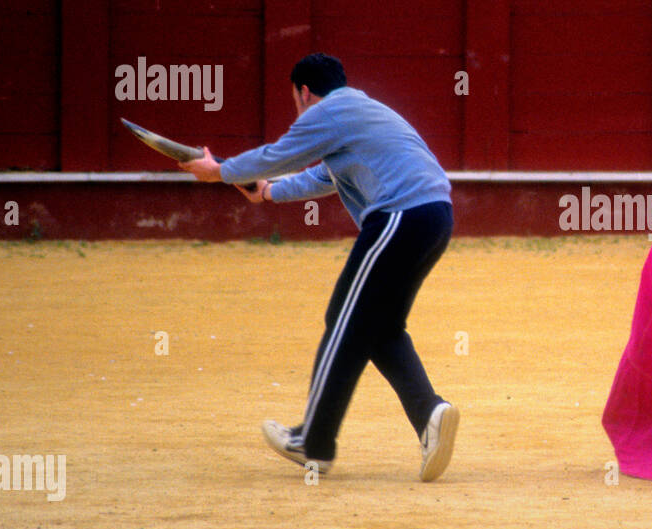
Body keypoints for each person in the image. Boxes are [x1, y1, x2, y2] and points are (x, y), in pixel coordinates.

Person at [179, 53, 459, 482]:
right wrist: (269, 193)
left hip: (400, 216)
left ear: (304, 92)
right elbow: (322, 177)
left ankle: (315, 439)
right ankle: (429, 414)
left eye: (295, 98)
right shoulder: (358, 111)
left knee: (342, 319)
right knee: (379, 329)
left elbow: (282, 154)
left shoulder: (329, 110)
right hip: (434, 215)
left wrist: (220, 171)